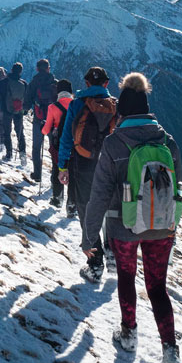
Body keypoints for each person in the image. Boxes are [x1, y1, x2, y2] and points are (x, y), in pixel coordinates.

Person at [82, 72, 182, 363]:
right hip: (162, 226)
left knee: (127, 277)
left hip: (123, 226)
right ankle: (170, 351)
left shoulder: (114, 143)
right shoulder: (167, 141)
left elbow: (99, 194)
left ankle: (128, 334)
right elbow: (177, 184)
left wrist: (89, 238)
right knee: (157, 288)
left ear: (122, 111)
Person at [57, 66, 117, 282]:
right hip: (110, 165)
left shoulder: (77, 104)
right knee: (110, 208)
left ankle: (95, 263)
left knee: (85, 209)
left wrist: (62, 167)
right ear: (106, 83)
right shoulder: (115, 106)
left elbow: (66, 137)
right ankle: (113, 253)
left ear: (87, 83)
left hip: (82, 163)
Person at [42, 79, 73, 208]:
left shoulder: (53, 107)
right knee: (73, 171)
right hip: (75, 143)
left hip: (58, 143)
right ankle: (72, 204)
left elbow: (46, 130)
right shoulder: (77, 105)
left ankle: (57, 199)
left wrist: (42, 127)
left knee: (57, 169)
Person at [24, 59, 57, 182]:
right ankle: (55, 177)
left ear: (37, 69)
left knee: (36, 147)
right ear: (48, 68)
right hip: (53, 121)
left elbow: (27, 100)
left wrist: (24, 110)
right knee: (54, 148)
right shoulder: (55, 82)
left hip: (39, 118)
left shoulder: (34, 82)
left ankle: (37, 174)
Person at [0, 62, 28, 163]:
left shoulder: (4, 82)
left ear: (11, 70)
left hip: (6, 110)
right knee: (20, 133)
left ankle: (9, 154)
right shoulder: (24, 83)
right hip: (19, 111)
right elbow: (27, 98)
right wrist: (25, 110)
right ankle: (23, 156)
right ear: (20, 72)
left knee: (7, 132)